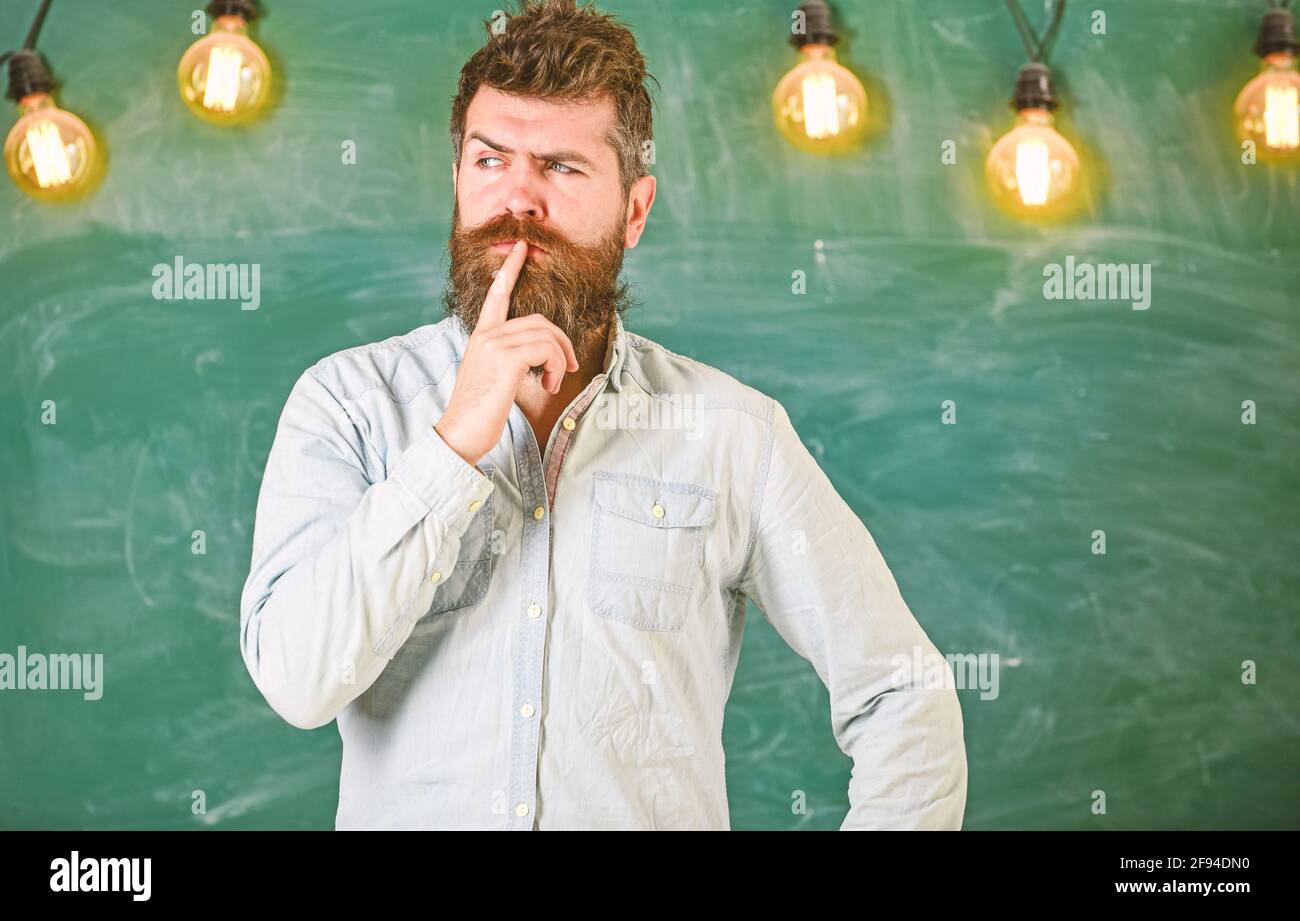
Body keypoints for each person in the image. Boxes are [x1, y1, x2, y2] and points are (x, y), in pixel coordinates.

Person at [239, 0, 967, 830]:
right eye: (489, 160)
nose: (517, 200)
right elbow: (297, 680)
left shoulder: (734, 435)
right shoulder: (348, 406)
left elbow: (903, 690)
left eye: (561, 167)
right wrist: (451, 450)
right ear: (455, 181)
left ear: (635, 209)